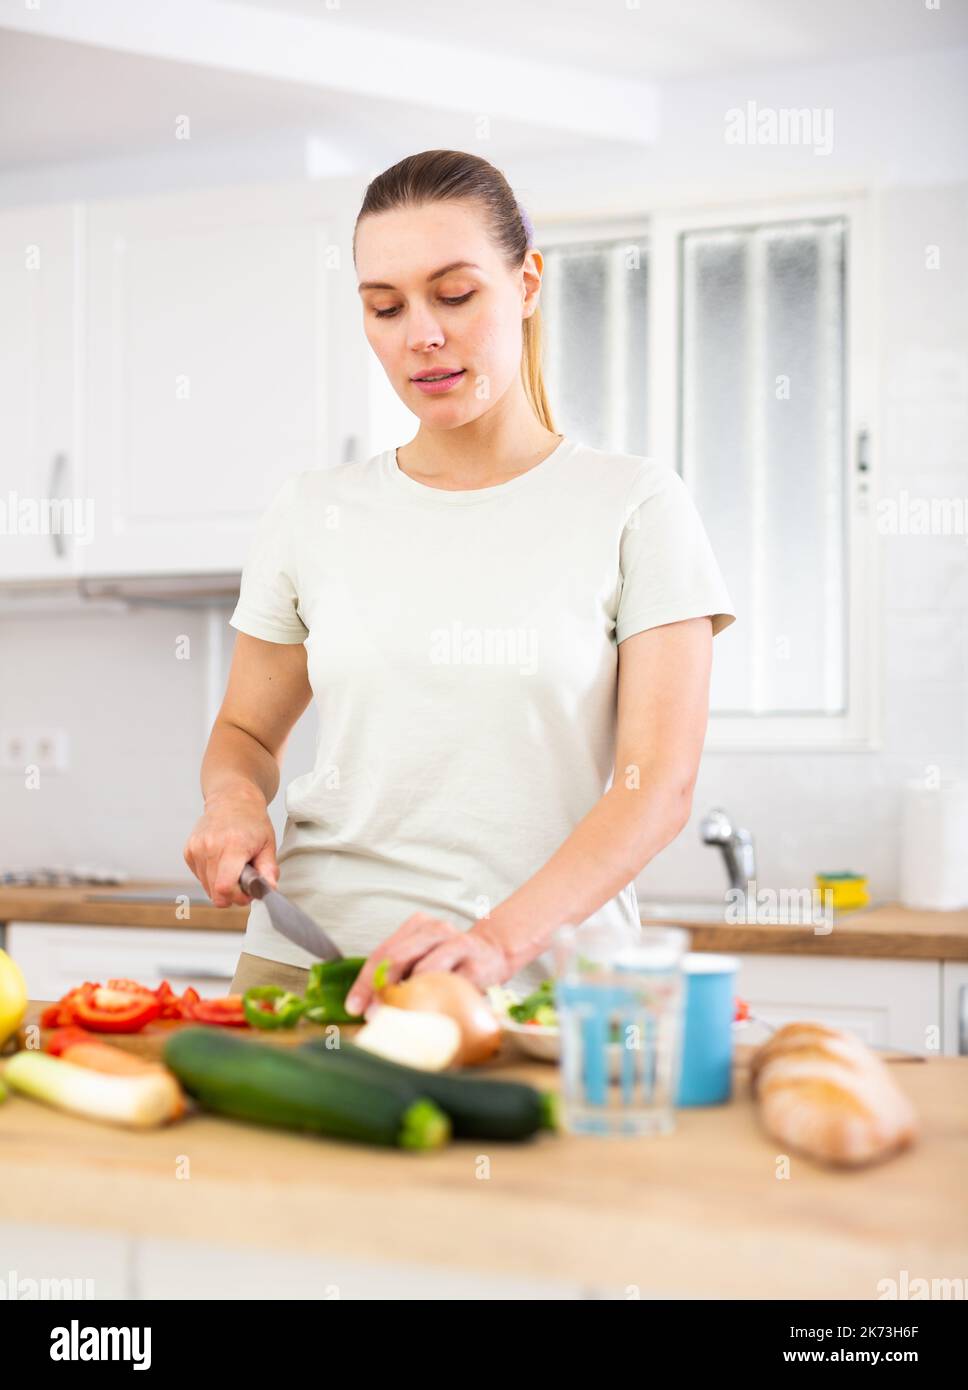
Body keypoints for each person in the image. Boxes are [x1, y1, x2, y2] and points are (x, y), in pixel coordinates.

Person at [183, 148, 736, 1017]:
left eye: (454, 293)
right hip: (311, 969)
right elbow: (247, 731)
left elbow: (657, 786)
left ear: (526, 284)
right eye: (386, 307)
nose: (422, 336)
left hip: (535, 982)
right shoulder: (310, 511)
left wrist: (491, 944)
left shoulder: (635, 505)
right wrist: (233, 799)